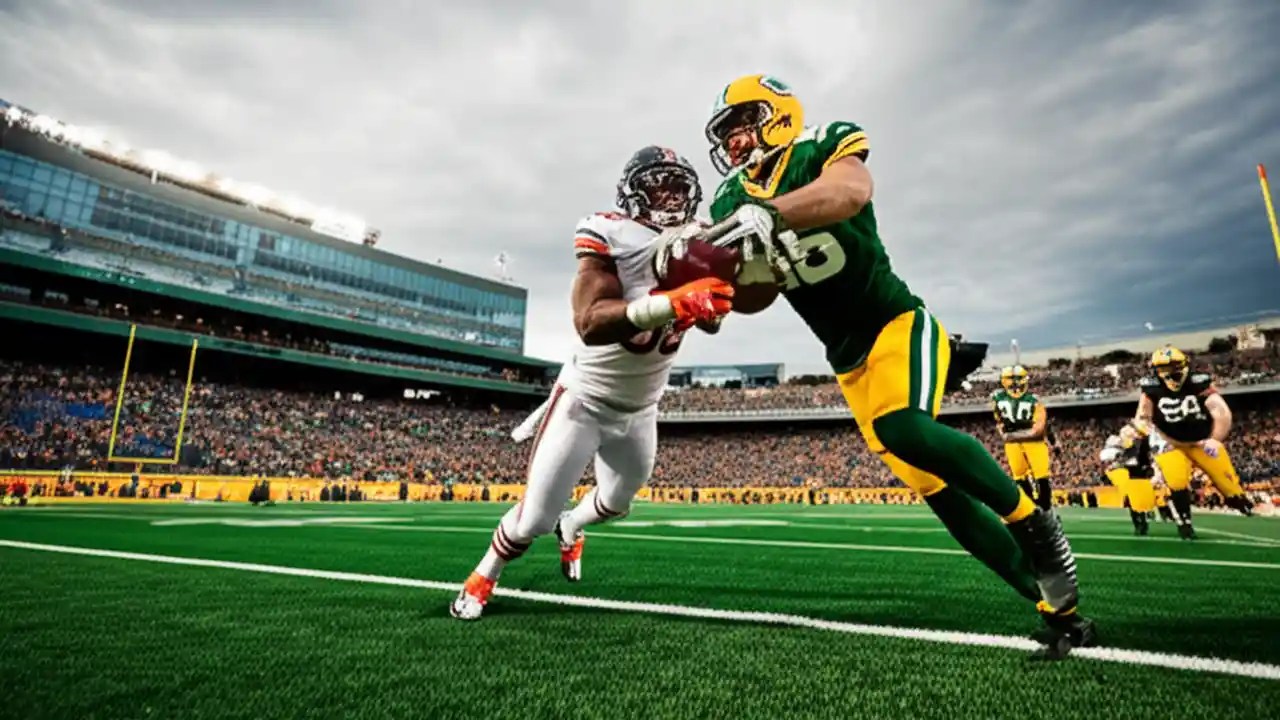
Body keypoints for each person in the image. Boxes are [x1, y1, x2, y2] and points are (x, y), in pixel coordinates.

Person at [697, 73, 1093, 656]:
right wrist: (719, 277)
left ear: (774, 112)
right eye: (724, 135)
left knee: (901, 427)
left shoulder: (820, 144)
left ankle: (1033, 520)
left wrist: (772, 214)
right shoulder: (731, 201)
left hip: (895, 322)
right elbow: (758, 296)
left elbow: (851, 191)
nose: (733, 144)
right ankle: (1056, 606)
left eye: (739, 126)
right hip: (848, 360)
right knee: (936, 490)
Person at [450, 146, 733, 620]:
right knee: (533, 518)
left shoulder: (699, 238)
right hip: (586, 400)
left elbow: (710, 320)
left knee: (618, 503)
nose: (668, 196)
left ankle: (574, 526)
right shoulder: (610, 233)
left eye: (677, 187)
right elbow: (591, 321)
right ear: (632, 193)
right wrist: (673, 302)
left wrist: (709, 291)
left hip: (642, 409)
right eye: (657, 185)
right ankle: (484, 575)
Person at [1135, 346, 1254, 540]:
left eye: (1172, 367)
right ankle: (1184, 522)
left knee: (1227, 483)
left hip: (1201, 441)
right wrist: (1151, 432)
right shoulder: (1151, 388)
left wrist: (1215, 439)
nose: (1168, 373)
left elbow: (1220, 411)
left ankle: (1239, 502)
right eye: (1162, 368)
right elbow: (1143, 415)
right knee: (1176, 482)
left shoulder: (1198, 382)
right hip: (1170, 441)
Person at [991, 366, 1054, 509]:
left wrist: (1010, 435)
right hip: (1017, 443)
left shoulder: (1033, 400)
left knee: (1041, 474)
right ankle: (1030, 504)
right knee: (1019, 474)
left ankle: (1045, 505)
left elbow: (1038, 429)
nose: (1015, 383)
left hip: (1031, 442)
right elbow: (999, 422)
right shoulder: (998, 399)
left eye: (1017, 379)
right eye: (1012, 379)